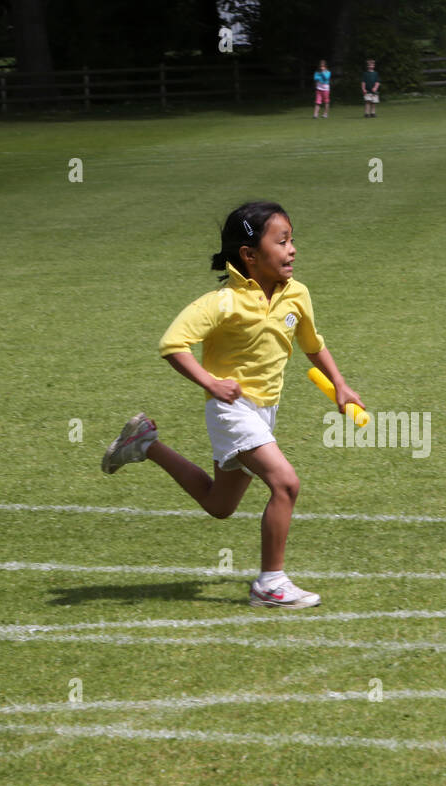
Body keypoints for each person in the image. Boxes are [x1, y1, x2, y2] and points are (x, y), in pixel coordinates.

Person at [101, 201, 364, 610]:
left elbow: (313, 345)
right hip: (231, 411)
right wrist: (210, 382)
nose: (292, 249)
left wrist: (341, 385)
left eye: (292, 239)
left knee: (219, 505)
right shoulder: (223, 302)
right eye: (281, 241)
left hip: (264, 411)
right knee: (286, 483)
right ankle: (270, 584)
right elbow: (172, 344)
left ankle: (145, 443)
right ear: (249, 255)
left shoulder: (297, 294)